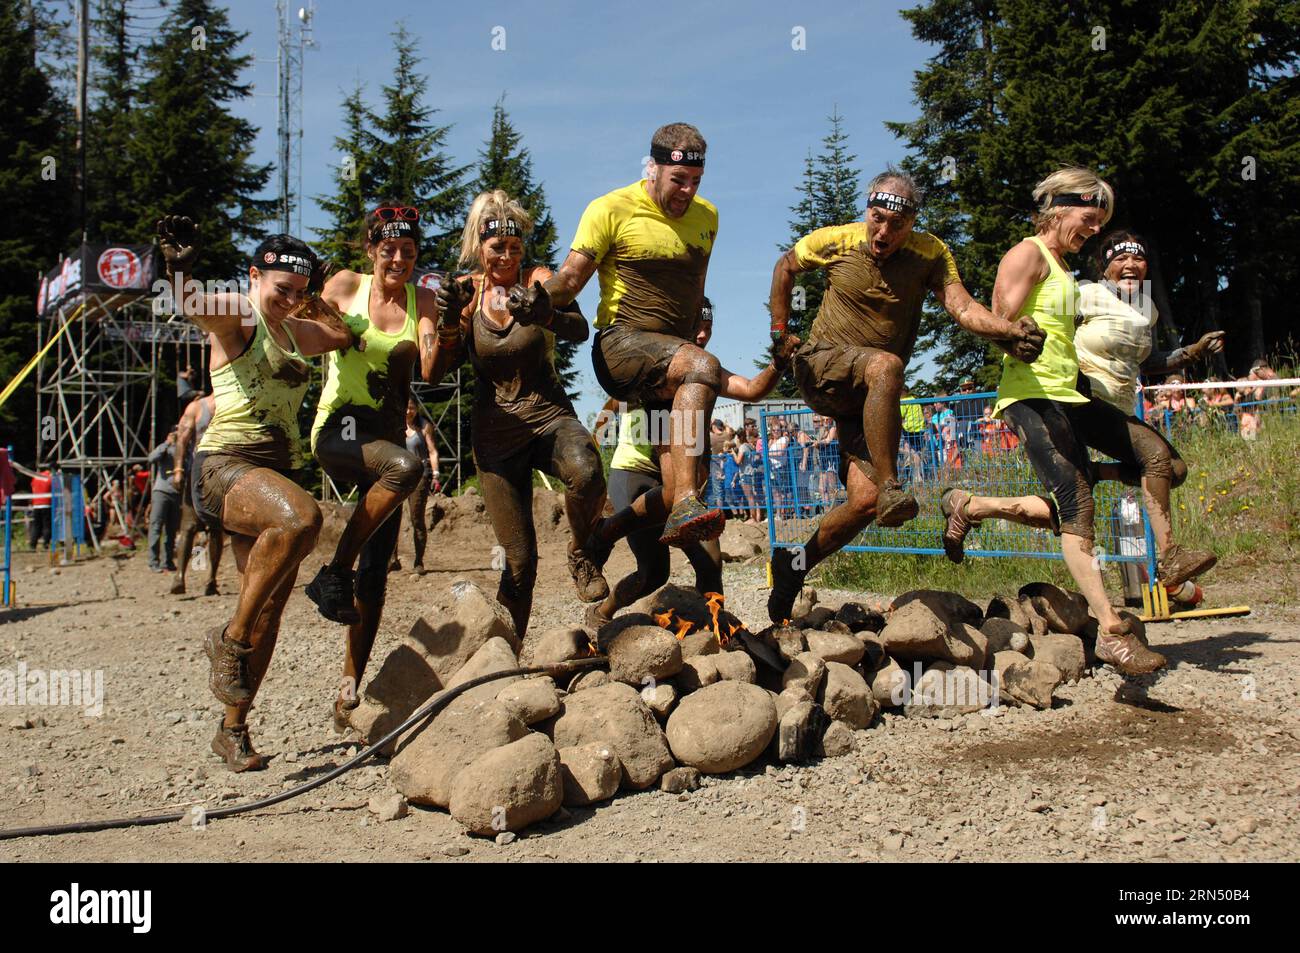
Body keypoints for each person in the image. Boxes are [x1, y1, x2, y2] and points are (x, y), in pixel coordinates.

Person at [765, 168, 1046, 622]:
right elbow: (785, 267)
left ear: (912, 222)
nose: (885, 232)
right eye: (877, 219)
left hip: (866, 395)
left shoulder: (930, 253)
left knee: (864, 503)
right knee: (887, 364)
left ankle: (794, 565)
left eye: (897, 225)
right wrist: (780, 332)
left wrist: (1009, 331)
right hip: (821, 365)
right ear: (867, 211)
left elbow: (964, 308)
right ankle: (894, 485)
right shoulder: (836, 240)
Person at [933, 168, 1163, 675]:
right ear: (1059, 207)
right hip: (1031, 394)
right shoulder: (1029, 253)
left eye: (1100, 222)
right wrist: (1015, 332)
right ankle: (1111, 631)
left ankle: (971, 504)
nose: (1093, 230)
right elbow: (996, 316)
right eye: (1088, 218)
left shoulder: (1060, 265)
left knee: (1139, 471)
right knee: (1077, 504)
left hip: (1069, 394)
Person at [157, 215, 355, 770]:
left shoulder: (297, 330)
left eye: (298, 293)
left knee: (269, 607)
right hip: (224, 467)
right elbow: (195, 306)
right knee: (302, 519)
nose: (288, 302)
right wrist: (179, 270)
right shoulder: (240, 315)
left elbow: (343, 336)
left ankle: (232, 729)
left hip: (273, 472)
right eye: (280, 291)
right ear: (252, 277)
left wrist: (314, 300)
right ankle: (230, 635)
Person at [537, 123, 731, 547]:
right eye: (678, 180)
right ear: (653, 168)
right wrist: (539, 298)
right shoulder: (610, 208)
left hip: (671, 364)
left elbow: (694, 286)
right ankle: (683, 503)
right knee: (702, 367)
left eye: (696, 182)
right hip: (621, 348)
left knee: (688, 478)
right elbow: (569, 279)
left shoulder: (708, 217)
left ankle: (602, 536)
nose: (687, 191)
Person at [426, 190, 608, 641]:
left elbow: (580, 329)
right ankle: (504, 655)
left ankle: (581, 551)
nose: (506, 256)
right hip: (495, 438)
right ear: (480, 248)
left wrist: (545, 311)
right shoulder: (466, 293)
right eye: (496, 248)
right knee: (519, 564)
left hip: (548, 418)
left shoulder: (539, 278)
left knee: (586, 471)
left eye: (514, 247)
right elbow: (437, 370)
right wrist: (449, 318)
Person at [309, 202, 438, 732]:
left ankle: (348, 690)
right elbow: (300, 324)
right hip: (340, 428)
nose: (399, 260)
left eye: (408, 252)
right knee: (408, 470)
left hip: (385, 447)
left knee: (376, 580)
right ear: (370, 250)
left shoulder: (422, 298)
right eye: (389, 250)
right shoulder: (344, 284)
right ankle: (333, 571)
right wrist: (332, 323)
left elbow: (428, 367)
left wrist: (439, 331)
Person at [586, 303, 789, 629]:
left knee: (710, 562)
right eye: (698, 324)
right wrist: (595, 440)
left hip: (681, 482)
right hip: (634, 472)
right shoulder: (643, 366)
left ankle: (715, 629)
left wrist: (778, 363)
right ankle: (603, 609)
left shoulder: (702, 370)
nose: (703, 333)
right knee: (653, 573)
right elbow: (612, 409)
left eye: (709, 326)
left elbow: (752, 390)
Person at [171, 392, 224, 595]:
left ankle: (211, 579)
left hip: (221, 474)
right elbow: (182, 440)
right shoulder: (197, 408)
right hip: (196, 472)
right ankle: (180, 577)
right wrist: (178, 470)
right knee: (189, 526)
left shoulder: (232, 401)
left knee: (216, 528)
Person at [388, 397, 440, 575]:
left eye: (412, 408)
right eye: (406, 408)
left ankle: (419, 561)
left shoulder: (424, 426)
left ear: (417, 409)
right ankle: (392, 559)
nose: (409, 411)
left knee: (417, 518)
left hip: (420, 476)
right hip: (397, 476)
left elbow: (432, 451)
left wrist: (436, 474)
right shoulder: (395, 425)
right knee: (391, 518)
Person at [146, 429, 182, 573]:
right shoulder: (165, 448)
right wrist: (167, 443)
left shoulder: (184, 449)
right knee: (156, 526)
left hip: (177, 493)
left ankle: (168, 562)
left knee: (171, 530)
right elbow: (152, 458)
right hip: (161, 491)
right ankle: (153, 561)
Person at [28, 468, 51, 551]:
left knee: (36, 526)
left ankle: (32, 545)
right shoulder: (50, 478)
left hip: (36, 504)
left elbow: (32, 487)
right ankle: (46, 544)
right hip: (47, 504)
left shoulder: (35, 478)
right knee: (47, 526)